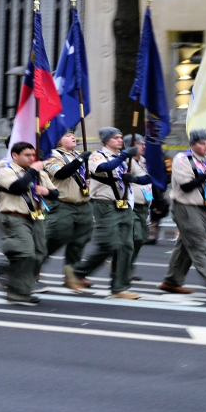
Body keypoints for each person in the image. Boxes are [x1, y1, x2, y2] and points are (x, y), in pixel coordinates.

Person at [66, 127, 143, 300]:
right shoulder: (97, 155)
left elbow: (145, 177)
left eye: (121, 137)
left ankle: (119, 288)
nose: (120, 140)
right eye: (115, 137)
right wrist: (125, 156)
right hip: (105, 204)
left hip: (124, 205)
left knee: (126, 247)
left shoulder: (122, 158)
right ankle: (77, 273)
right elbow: (104, 168)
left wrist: (135, 178)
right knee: (109, 244)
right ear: (106, 140)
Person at [159, 130, 206, 296]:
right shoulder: (183, 159)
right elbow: (186, 186)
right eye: (201, 143)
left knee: (185, 244)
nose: (205, 146)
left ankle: (172, 281)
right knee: (198, 243)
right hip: (186, 206)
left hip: (204, 206)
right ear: (192, 144)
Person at [0, 142, 59, 305]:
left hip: (36, 217)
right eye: (27, 155)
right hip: (15, 216)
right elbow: (17, 187)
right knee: (25, 253)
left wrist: (47, 192)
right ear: (15, 155)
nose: (31, 158)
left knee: (39, 254)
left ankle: (17, 282)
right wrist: (33, 170)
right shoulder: (5, 171)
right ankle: (17, 292)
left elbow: (56, 193)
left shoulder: (39, 174)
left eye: (32, 155)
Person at [41, 129, 93, 275]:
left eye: (73, 135)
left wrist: (87, 181)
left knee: (79, 241)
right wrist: (81, 160)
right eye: (68, 136)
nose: (73, 137)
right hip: (62, 205)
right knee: (54, 238)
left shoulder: (77, 155)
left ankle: (73, 273)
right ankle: (31, 265)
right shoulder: (52, 155)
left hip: (83, 204)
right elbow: (61, 173)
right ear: (58, 140)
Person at [123, 134, 153, 280]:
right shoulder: (126, 162)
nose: (144, 147)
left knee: (141, 239)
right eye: (141, 144)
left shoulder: (145, 162)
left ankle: (128, 267)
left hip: (144, 204)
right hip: (131, 205)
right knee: (135, 236)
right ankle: (123, 267)